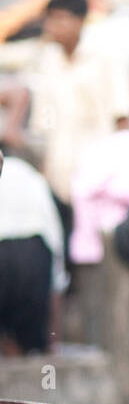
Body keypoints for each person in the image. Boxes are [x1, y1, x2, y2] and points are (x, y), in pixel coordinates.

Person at [0, 0, 129, 262]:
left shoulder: (106, 58)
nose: (53, 27)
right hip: (59, 176)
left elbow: (123, 118)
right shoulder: (48, 58)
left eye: (61, 19)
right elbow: (44, 120)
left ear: (80, 21)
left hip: (97, 176)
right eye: (50, 19)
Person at [0, 151, 66, 354]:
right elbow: (55, 244)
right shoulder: (31, 176)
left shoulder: (26, 175)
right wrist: (53, 340)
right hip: (34, 254)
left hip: (15, 250)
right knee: (30, 342)